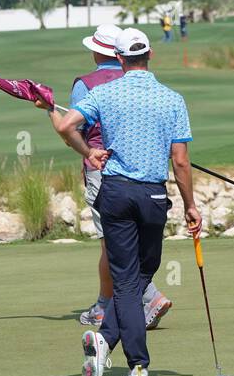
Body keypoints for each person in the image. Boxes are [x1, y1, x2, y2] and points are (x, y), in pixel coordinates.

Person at [43, 28, 201, 376]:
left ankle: (105, 338)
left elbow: (67, 126)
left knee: (134, 276)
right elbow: (180, 161)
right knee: (136, 275)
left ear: (119, 59)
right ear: (150, 56)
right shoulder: (172, 98)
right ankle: (139, 366)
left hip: (114, 193)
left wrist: (88, 153)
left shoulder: (104, 92)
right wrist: (191, 206)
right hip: (153, 197)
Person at [70, 24, 173, 331]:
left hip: (106, 170)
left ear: (98, 51)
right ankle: (134, 300)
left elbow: (70, 129)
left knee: (111, 244)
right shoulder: (138, 80)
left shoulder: (87, 84)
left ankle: (117, 305)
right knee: (136, 244)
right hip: (146, 175)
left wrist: (49, 110)